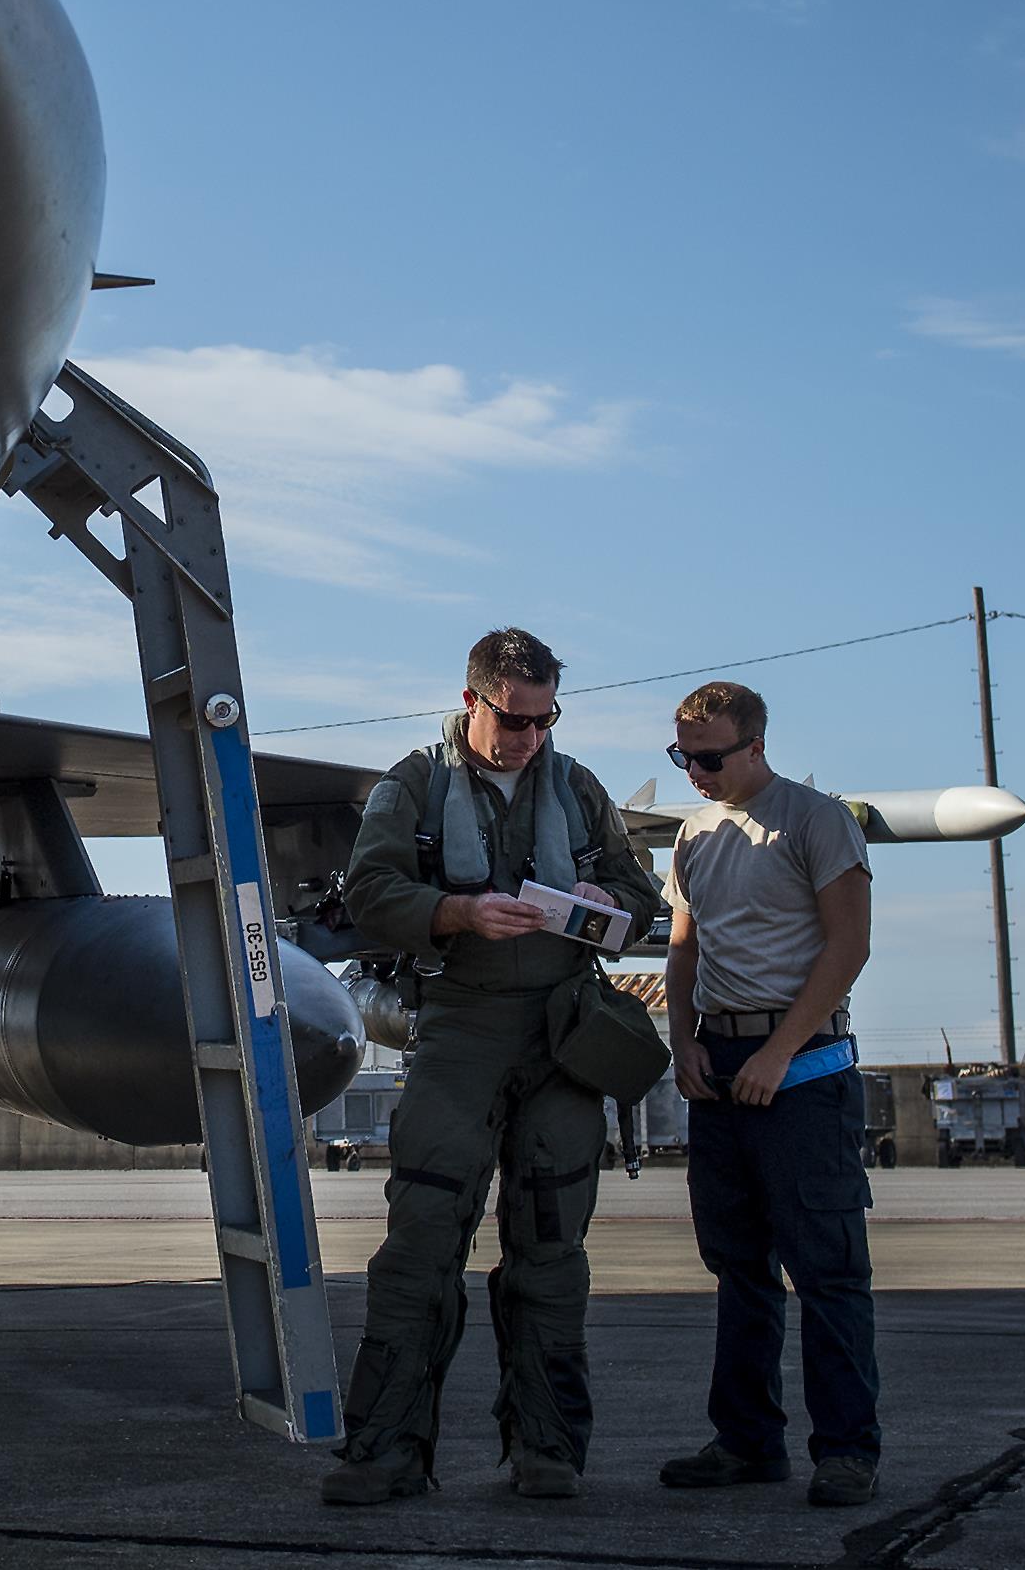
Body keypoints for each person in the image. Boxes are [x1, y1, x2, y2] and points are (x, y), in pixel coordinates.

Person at [322, 627, 663, 1506]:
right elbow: (370, 894)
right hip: (461, 1027)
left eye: (545, 720)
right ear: (473, 700)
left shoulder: (578, 788)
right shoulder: (413, 784)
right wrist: (459, 913)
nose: (529, 739)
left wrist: (603, 904)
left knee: (552, 1248)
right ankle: (386, 1452)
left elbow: (641, 899)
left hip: (562, 1033)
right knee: (421, 1242)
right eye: (515, 721)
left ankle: (547, 1449)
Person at [656, 680, 881, 1508]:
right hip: (719, 1066)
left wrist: (780, 1053)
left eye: (710, 757)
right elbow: (684, 951)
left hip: (805, 1074)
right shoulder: (694, 833)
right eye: (683, 756)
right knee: (738, 1268)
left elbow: (849, 946)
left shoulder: (817, 820)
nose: (696, 772)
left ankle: (848, 1451)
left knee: (827, 1272)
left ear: (756, 745)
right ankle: (747, 1442)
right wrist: (683, 1043)